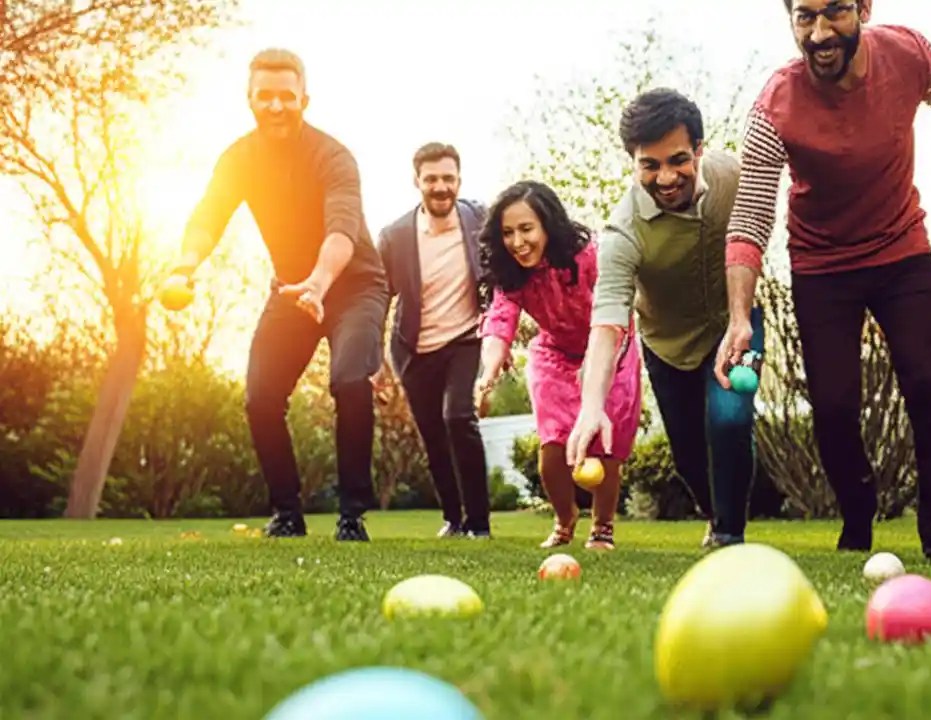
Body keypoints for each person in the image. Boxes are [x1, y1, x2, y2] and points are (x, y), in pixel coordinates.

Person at [716, 1, 931, 562]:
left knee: (929, 387)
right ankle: (858, 511)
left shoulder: (908, 54)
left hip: (901, 251)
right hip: (822, 267)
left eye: (836, 12)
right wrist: (740, 318)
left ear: (864, 7)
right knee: (835, 407)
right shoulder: (777, 103)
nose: (820, 33)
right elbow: (750, 214)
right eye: (804, 18)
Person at [169, 49, 389, 540]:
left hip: (354, 284)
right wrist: (186, 263)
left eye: (285, 97)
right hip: (291, 289)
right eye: (264, 96)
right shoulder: (238, 159)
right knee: (261, 398)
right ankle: (286, 512)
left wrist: (319, 281)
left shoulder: (332, 156)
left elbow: (342, 228)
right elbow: (208, 216)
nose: (275, 106)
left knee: (350, 379)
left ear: (304, 100)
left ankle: (352, 513)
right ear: (248, 100)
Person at [566, 88, 766, 549]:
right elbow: (607, 322)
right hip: (668, 346)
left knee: (730, 418)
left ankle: (729, 537)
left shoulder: (733, 177)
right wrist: (592, 405)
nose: (667, 177)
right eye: (649, 165)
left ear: (699, 149)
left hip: (735, 322)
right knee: (688, 456)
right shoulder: (623, 233)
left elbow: (759, 229)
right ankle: (716, 513)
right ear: (633, 163)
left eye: (678, 159)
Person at [474, 181, 643, 550]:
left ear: (548, 225)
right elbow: (501, 322)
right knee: (552, 451)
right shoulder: (511, 275)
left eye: (526, 229)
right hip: (555, 355)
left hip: (613, 348)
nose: (517, 242)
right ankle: (565, 519)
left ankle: (602, 527)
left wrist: (599, 361)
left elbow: (619, 308)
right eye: (508, 233)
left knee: (606, 448)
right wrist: (487, 371)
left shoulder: (590, 256)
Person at [376, 142, 493, 539]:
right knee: (433, 433)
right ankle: (453, 519)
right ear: (417, 182)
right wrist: (372, 359)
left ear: (459, 180)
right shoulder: (394, 236)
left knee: (458, 417)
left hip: (465, 337)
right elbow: (378, 296)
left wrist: (503, 337)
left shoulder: (481, 218)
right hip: (412, 349)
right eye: (431, 179)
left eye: (448, 178)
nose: (440, 187)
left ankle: (478, 523)